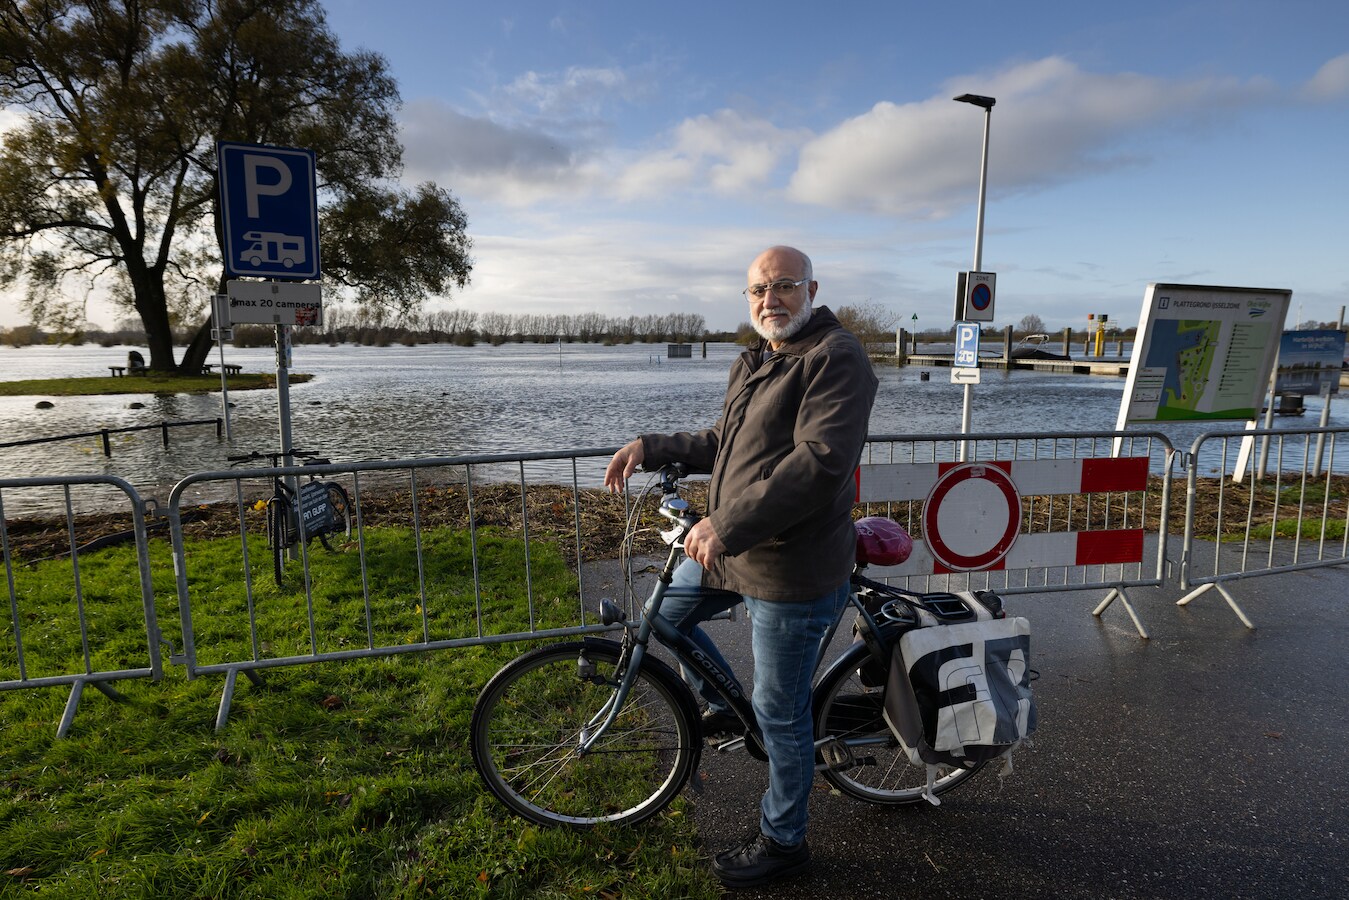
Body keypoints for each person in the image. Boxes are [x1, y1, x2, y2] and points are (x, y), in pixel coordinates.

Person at [604, 245, 878, 889]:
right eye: (757, 290)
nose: (769, 300)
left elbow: (817, 464)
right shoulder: (757, 358)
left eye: (783, 286)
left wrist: (724, 524)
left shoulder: (835, 358)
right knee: (665, 618)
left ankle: (786, 842)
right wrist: (651, 446)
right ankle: (730, 709)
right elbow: (725, 444)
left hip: (792, 568)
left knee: (782, 713)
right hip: (736, 553)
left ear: (811, 288)